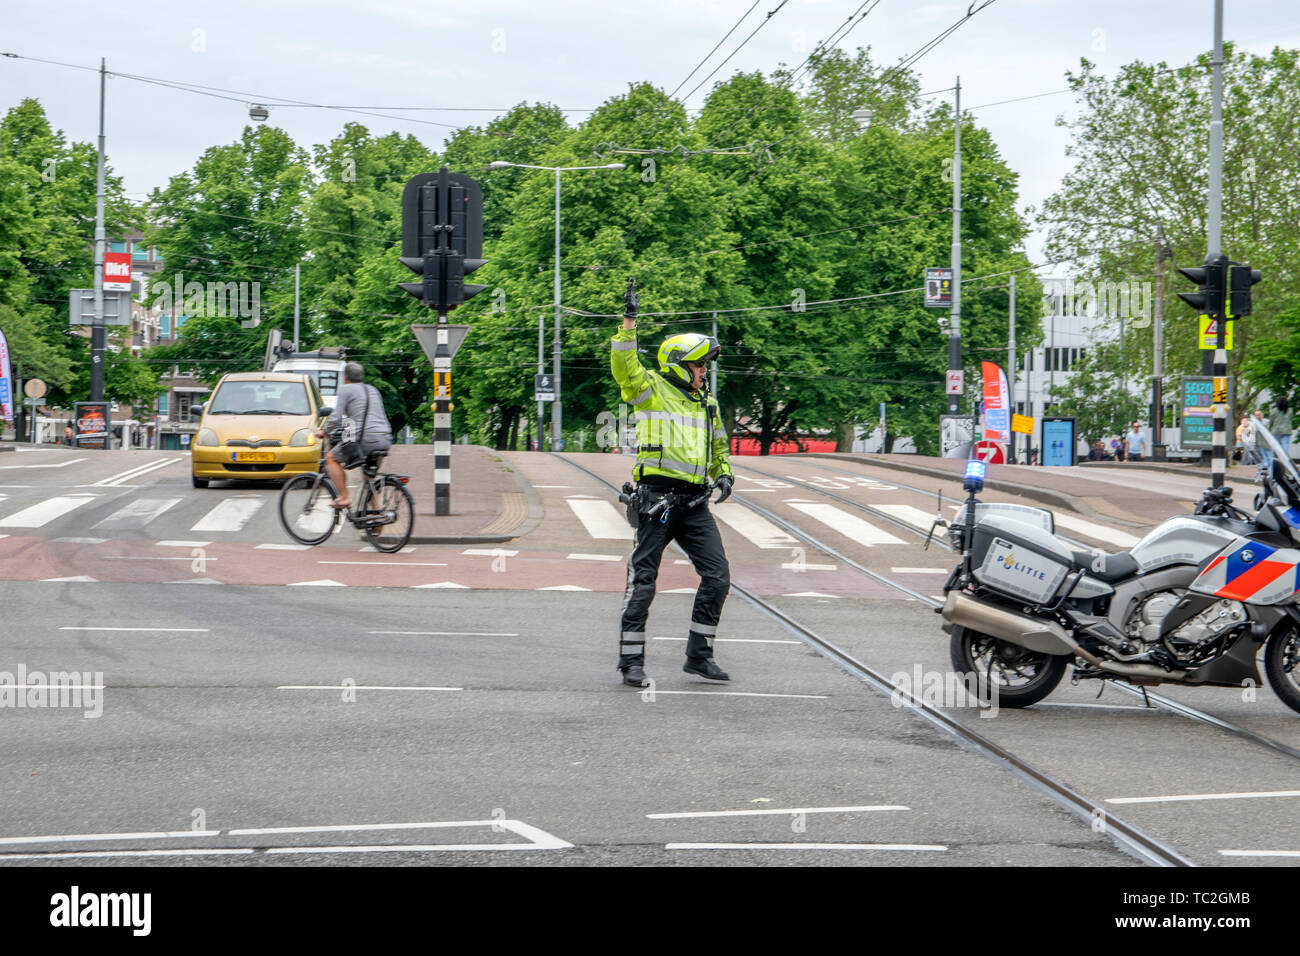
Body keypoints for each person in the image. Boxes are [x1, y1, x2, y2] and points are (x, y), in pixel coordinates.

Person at [612, 279, 734, 688]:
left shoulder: (708, 403)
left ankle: (698, 658)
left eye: (705, 366)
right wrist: (629, 322)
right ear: (680, 363)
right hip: (657, 504)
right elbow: (624, 368)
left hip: (695, 505)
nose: (704, 372)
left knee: (717, 577)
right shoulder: (651, 390)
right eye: (700, 365)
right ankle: (631, 662)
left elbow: (717, 447)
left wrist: (725, 472)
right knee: (644, 581)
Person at [316, 362, 392, 509]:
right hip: (384, 437)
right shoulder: (372, 390)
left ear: (345, 378)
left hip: (365, 438)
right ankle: (377, 518)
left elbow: (337, 417)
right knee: (368, 479)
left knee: (331, 458)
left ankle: (344, 497)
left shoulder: (345, 389)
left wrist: (324, 432)